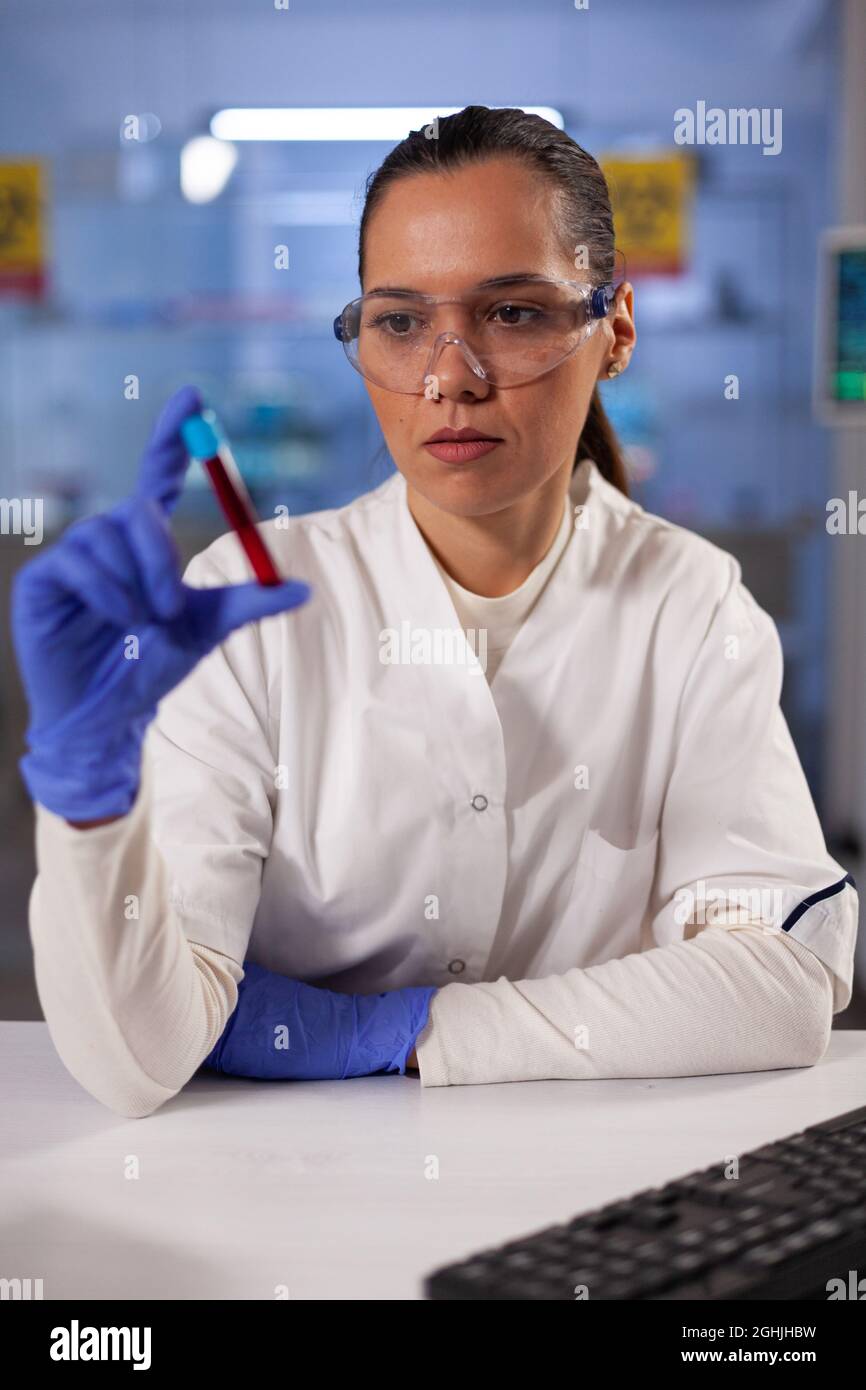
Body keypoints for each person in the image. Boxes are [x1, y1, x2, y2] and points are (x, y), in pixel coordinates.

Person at [12, 106, 857, 1119]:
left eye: (513, 313)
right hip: (284, 1187)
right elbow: (137, 1061)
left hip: (599, 1190)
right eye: (401, 322)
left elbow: (777, 984)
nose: (449, 377)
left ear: (615, 331)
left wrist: (407, 1029)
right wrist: (90, 801)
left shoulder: (689, 604)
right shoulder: (249, 600)